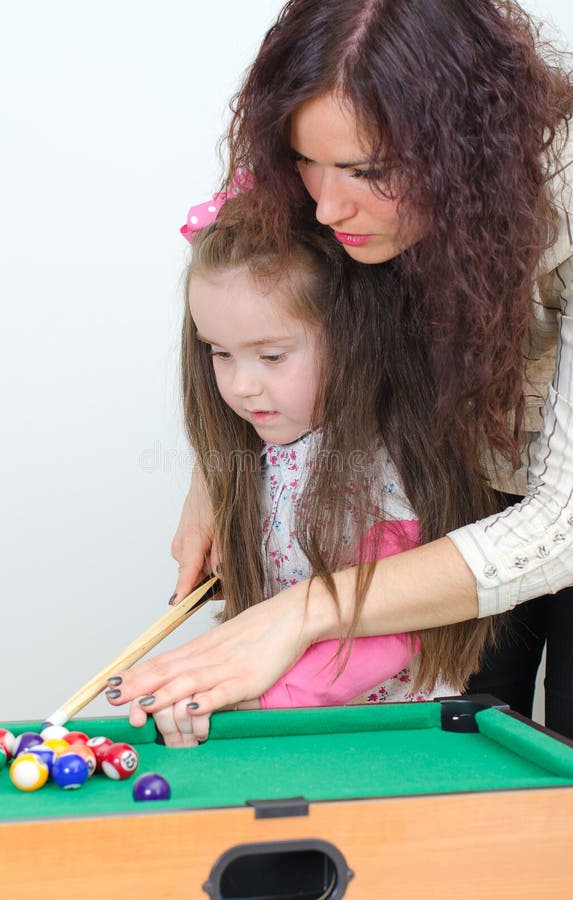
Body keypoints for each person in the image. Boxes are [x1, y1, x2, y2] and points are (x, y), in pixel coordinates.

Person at [107, 0, 573, 738]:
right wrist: (216, 472)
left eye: (366, 171)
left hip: (556, 511)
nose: (324, 208)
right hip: (468, 491)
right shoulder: (328, 179)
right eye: (304, 163)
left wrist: (296, 616)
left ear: (469, 152)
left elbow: (561, 526)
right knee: (469, 746)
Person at [113, 191, 465, 745]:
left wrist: (256, 699)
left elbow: (397, 631)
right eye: (219, 353)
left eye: (271, 356)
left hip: (393, 737)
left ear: (353, 337)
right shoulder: (264, 441)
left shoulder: (382, 468)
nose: (240, 385)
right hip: (299, 733)